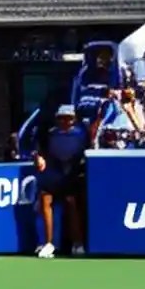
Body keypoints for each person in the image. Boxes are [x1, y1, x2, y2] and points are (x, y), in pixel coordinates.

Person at [34, 104, 89, 258]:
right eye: (62, 118)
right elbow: (40, 151)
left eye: (69, 118)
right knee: (45, 201)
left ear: (74, 119)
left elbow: (83, 153)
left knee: (71, 204)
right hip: (54, 173)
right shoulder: (50, 134)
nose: (65, 121)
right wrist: (39, 157)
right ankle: (49, 243)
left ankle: (77, 244)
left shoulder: (81, 134)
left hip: (72, 174)